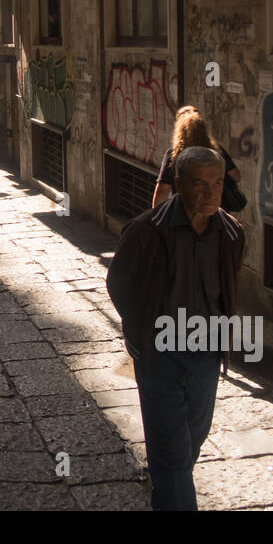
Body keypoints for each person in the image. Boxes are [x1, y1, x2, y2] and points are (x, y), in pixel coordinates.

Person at [105, 146, 245, 511]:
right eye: (200, 185)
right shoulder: (147, 231)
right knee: (172, 452)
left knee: (190, 441)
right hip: (160, 353)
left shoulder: (231, 234)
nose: (211, 193)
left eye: (217, 184)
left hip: (206, 353)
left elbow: (226, 287)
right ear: (180, 184)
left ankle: (166, 491)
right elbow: (119, 284)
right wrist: (140, 334)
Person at [151, 106, 243, 210]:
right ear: (204, 129)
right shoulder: (217, 151)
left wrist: (156, 218)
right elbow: (237, 176)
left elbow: (162, 191)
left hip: (186, 212)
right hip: (215, 211)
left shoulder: (173, 155)